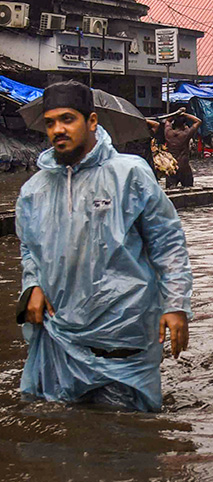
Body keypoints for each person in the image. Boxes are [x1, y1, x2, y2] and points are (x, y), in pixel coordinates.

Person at [15, 80, 193, 413]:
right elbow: (30, 248)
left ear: (92, 121)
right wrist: (33, 284)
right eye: (51, 122)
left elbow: (168, 244)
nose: (58, 129)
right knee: (61, 442)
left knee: (125, 437)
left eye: (67, 119)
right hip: (60, 335)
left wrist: (176, 304)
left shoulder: (130, 175)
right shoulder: (34, 190)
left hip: (122, 334)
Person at [162, 107, 201, 188]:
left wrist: (176, 113)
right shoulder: (186, 134)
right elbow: (198, 121)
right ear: (184, 125)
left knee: (170, 191)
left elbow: (167, 120)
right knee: (189, 189)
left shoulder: (168, 132)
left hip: (172, 166)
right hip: (184, 166)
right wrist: (184, 114)